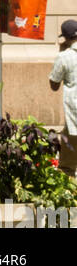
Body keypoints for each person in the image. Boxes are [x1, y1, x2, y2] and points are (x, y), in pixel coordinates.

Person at [50, 19, 77, 173]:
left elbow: (54, 84)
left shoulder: (65, 57)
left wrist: (61, 53)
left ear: (65, 38)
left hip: (74, 113)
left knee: (68, 166)